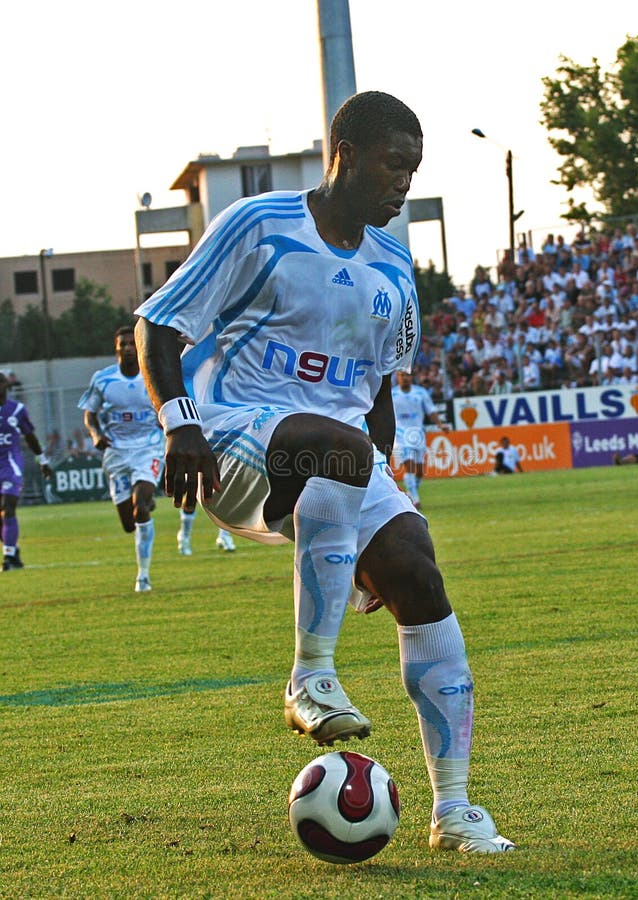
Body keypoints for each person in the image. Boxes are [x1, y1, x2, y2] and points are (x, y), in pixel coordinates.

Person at [134, 91, 515, 854]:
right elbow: (158, 325)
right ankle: (310, 676)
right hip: (235, 442)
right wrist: (180, 427)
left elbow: (376, 392)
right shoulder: (259, 225)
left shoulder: (394, 264)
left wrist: (383, 513)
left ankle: (456, 810)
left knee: (416, 568)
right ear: (343, 154)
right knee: (335, 447)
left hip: (337, 453)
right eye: (393, 165)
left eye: (414, 170)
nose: (404, 184)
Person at [79, 326, 166, 593]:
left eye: (132, 343)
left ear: (139, 347)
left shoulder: (154, 376)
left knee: (139, 507)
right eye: (123, 344)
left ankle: (143, 576)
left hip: (148, 448)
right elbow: (89, 414)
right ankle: (145, 503)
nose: (128, 348)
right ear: (115, 349)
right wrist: (95, 434)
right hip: (116, 452)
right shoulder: (103, 380)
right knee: (129, 524)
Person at [0, 371, 52, 570]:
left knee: (8, 507)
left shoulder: (17, 410)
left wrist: (43, 460)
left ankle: (9, 558)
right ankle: (12, 548)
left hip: (10, 466)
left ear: (5, 386)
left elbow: (30, 437)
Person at [391, 369, 449, 510]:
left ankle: (411, 492)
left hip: (418, 435)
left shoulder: (421, 392)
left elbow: (431, 411)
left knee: (419, 471)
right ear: (397, 378)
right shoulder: (392, 394)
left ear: (412, 377)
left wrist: (441, 425)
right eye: (402, 375)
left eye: (408, 375)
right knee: (409, 466)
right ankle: (415, 500)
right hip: (400, 435)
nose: (405, 378)